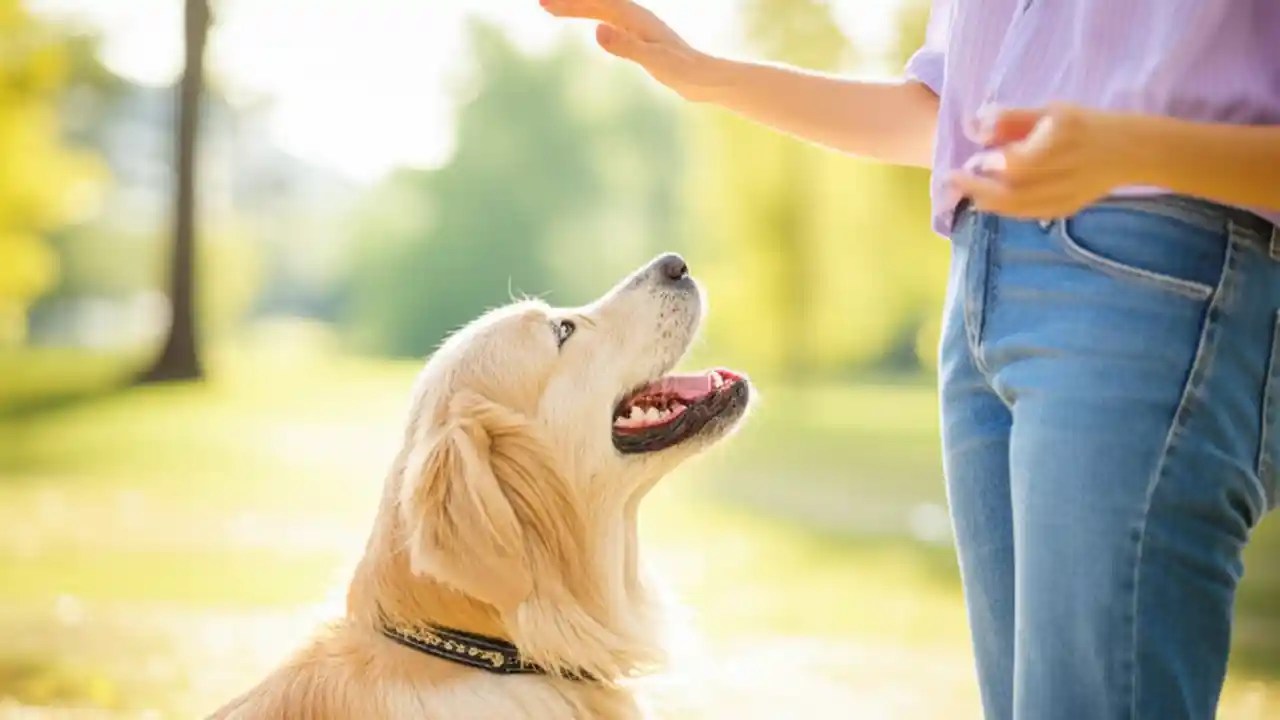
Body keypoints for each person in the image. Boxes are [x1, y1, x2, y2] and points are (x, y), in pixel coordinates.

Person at [540, 1, 1280, 718]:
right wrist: (705, 74)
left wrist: (1134, 147)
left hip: (1153, 280)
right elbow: (942, 119)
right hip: (981, 291)